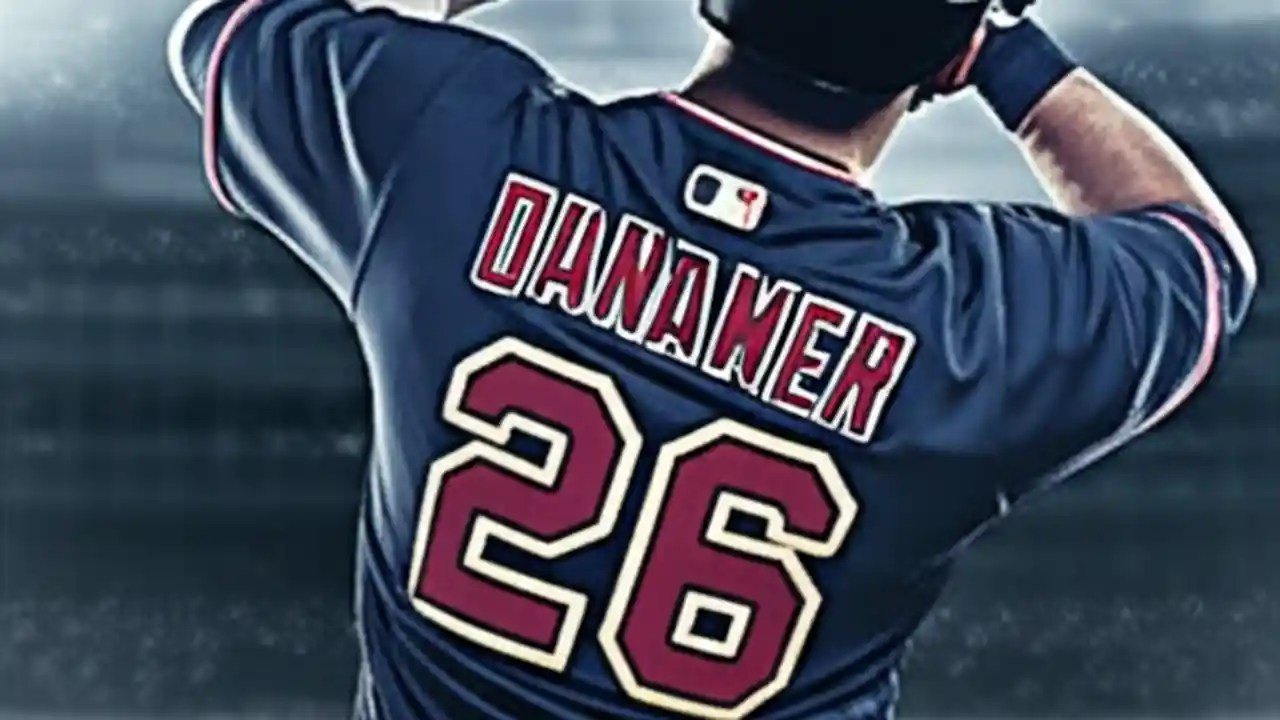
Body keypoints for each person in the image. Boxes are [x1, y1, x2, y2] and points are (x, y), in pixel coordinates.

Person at [168, 0, 1258, 717]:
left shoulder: (454, 145)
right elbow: (1196, 250)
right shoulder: (964, 328)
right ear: (934, 69)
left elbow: (228, 32)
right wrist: (1006, 51)